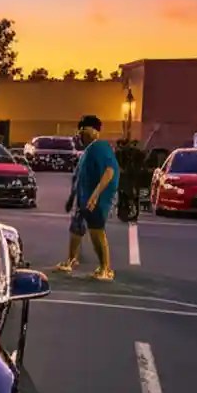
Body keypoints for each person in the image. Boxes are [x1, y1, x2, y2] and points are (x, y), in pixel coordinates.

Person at [58, 115, 120, 280]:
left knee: (96, 230)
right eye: (80, 132)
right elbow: (78, 176)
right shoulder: (88, 150)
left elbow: (109, 172)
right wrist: (72, 198)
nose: (81, 135)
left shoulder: (100, 147)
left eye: (84, 131)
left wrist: (95, 196)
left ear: (95, 131)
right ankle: (71, 260)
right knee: (76, 229)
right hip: (83, 199)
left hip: (95, 200)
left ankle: (105, 268)